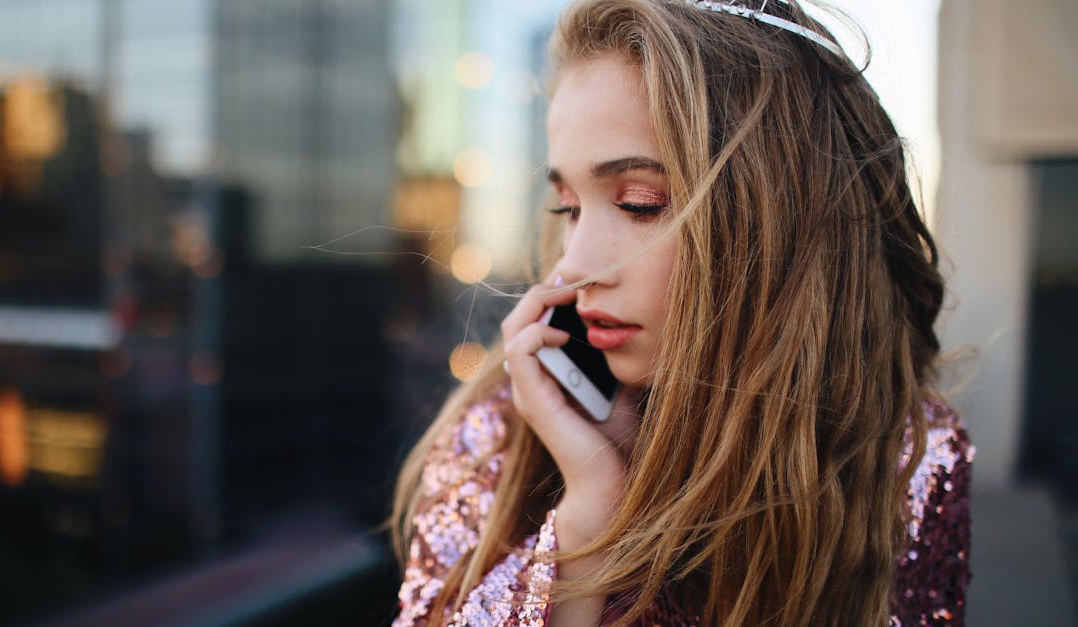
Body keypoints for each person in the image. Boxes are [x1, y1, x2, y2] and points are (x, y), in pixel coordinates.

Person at [391, 1, 973, 625]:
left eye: (641, 203)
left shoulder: (907, 456)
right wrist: (587, 528)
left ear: (785, 224)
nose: (574, 265)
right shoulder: (503, 434)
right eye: (569, 209)